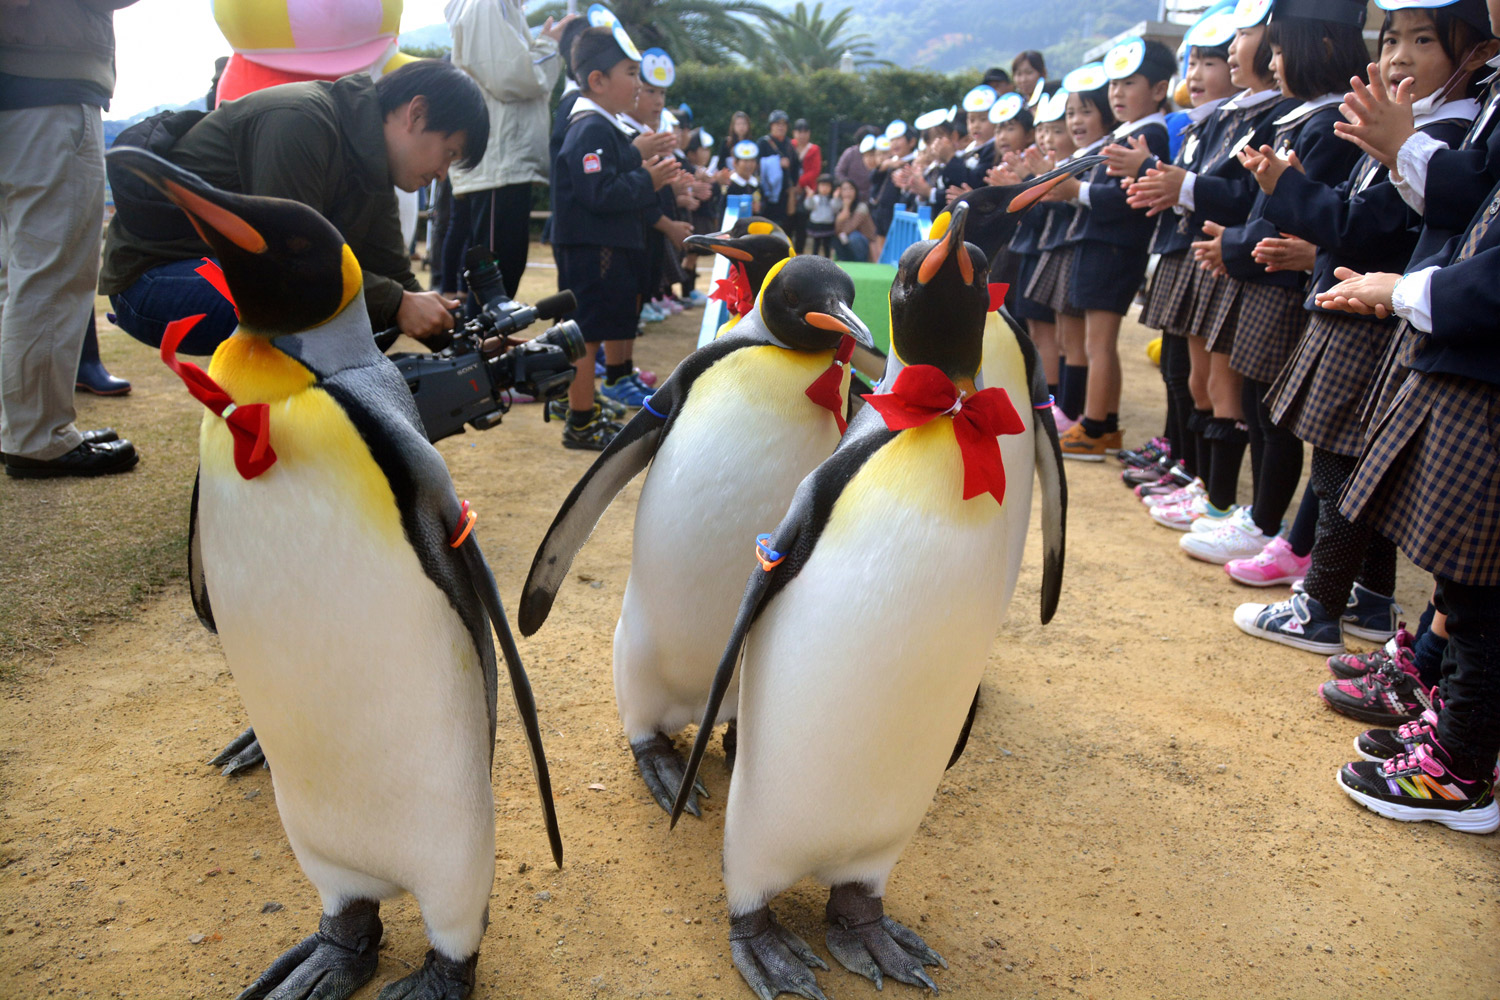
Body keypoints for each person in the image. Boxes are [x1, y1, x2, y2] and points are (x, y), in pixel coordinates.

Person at [1228, 1, 1492, 646]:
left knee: (1344, 469)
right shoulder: (1417, 123)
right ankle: (1370, 603)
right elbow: (1356, 215)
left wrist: (1287, 190)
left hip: (1378, 315)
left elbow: (1364, 225)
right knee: (1351, 468)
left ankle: (1321, 604)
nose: (1399, 55)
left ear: (1476, 57)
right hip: (1367, 305)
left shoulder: (1447, 134)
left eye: (1423, 40)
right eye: (1393, 37)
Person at [100, 60, 488, 358]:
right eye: (449, 153)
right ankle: (267, 450)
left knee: (352, 317)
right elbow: (286, 267)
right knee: (304, 314)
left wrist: (474, 343)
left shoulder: (372, 167)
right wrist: (397, 303)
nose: (442, 173)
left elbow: (397, 278)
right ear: (416, 113)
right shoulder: (302, 120)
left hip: (227, 272)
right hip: (154, 277)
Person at [1, 0, 141, 479]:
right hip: (43, 82)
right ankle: (38, 436)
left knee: (15, 274)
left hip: (18, 82)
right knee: (50, 272)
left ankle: (19, 425)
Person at [550, 25, 679, 450]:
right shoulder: (589, 127)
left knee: (592, 329)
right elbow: (597, 192)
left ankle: (581, 409)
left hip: (601, 246)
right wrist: (646, 178)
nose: (639, 84)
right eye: (630, 73)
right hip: (593, 248)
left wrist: (638, 158)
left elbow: (607, 173)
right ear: (598, 81)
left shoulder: (602, 126)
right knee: (585, 333)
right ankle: (580, 421)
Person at [446, 2, 577, 300]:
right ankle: (485, 345)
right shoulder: (488, 5)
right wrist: (549, 43)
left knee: (504, 270)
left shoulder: (499, 6)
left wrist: (542, 43)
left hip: (506, 165)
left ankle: (490, 343)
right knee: (494, 279)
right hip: (499, 166)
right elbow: (513, 77)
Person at [757, 109, 799, 228]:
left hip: (784, 195)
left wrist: (793, 187)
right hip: (766, 195)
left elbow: (796, 166)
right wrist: (775, 163)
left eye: (783, 124)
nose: (781, 127)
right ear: (771, 126)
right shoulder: (763, 143)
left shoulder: (789, 144)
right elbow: (756, 165)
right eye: (777, 124)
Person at [790, 118, 821, 254]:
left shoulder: (814, 149)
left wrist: (800, 183)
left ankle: (799, 255)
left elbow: (815, 170)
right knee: (788, 224)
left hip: (806, 192)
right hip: (790, 191)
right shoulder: (789, 146)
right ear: (794, 133)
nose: (802, 135)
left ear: (809, 133)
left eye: (805, 132)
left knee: (802, 225)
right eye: (799, 132)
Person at [832, 179, 875, 262]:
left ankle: (860, 263)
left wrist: (846, 209)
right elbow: (836, 230)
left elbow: (850, 228)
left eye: (851, 189)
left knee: (854, 237)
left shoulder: (861, 207)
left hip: (864, 243)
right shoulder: (838, 206)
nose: (848, 192)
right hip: (846, 242)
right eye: (844, 189)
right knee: (837, 238)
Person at [805, 175, 838, 256]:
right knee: (816, 245)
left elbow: (836, 208)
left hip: (828, 225)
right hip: (816, 224)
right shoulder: (815, 198)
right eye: (822, 185)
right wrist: (810, 197)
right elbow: (808, 206)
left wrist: (835, 198)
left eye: (827, 186)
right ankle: (814, 260)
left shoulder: (832, 199)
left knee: (827, 246)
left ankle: (827, 260)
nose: (824, 188)